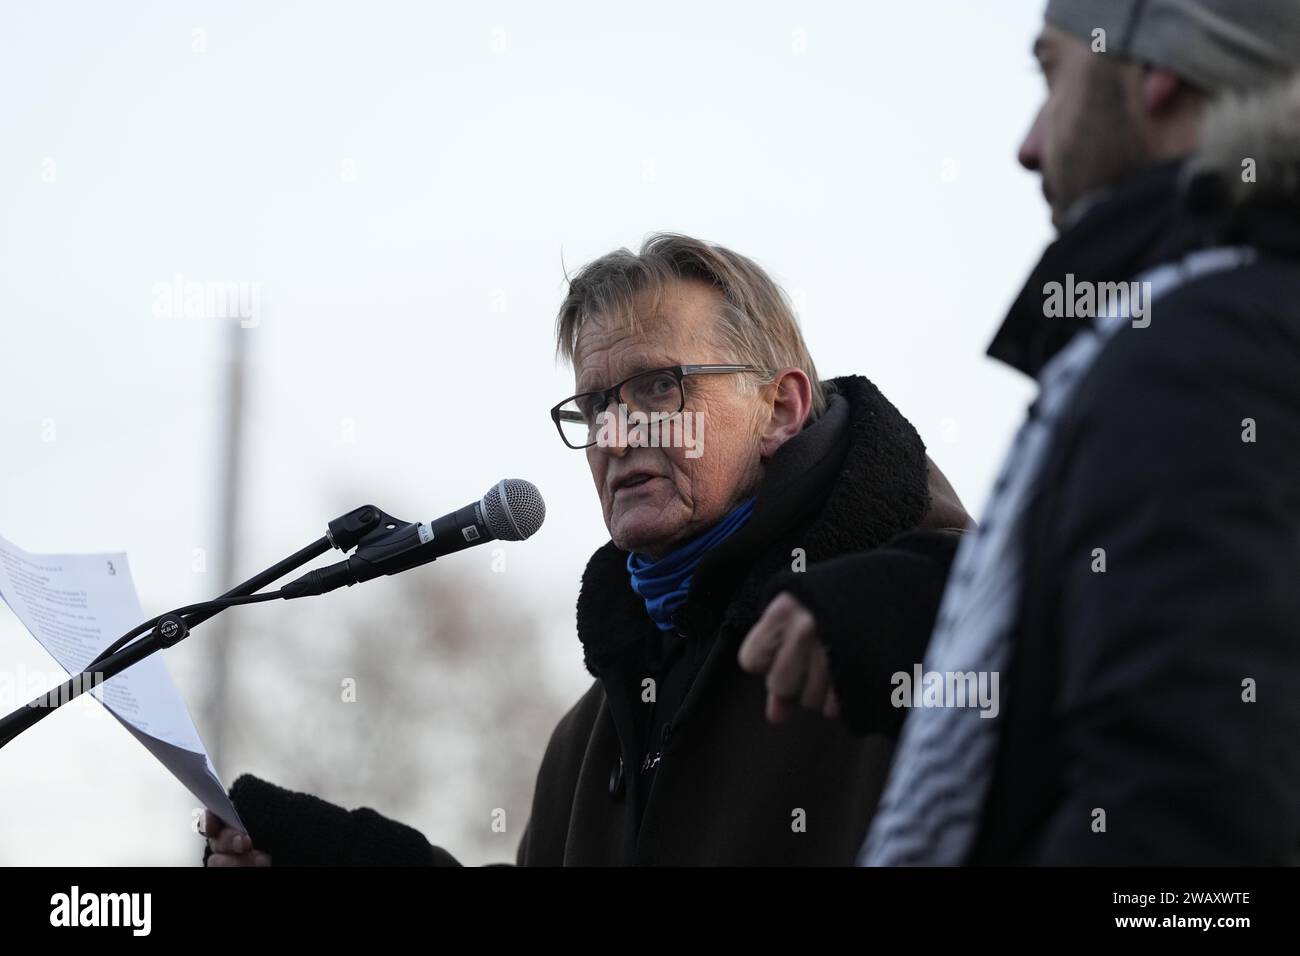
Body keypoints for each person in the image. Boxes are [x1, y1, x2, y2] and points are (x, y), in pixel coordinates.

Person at [202, 233, 970, 866]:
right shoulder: (594, 730)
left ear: (780, 408)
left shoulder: (924, 618)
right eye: (596, 403)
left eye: (659, 388)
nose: (614, 433)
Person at [743, 0, 1300, 865]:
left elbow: (1190, 840)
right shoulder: (1242, 324)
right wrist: (928, 603)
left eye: (1053, 73)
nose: (1029, 144)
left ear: (1160, 71)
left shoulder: (1197, 352)